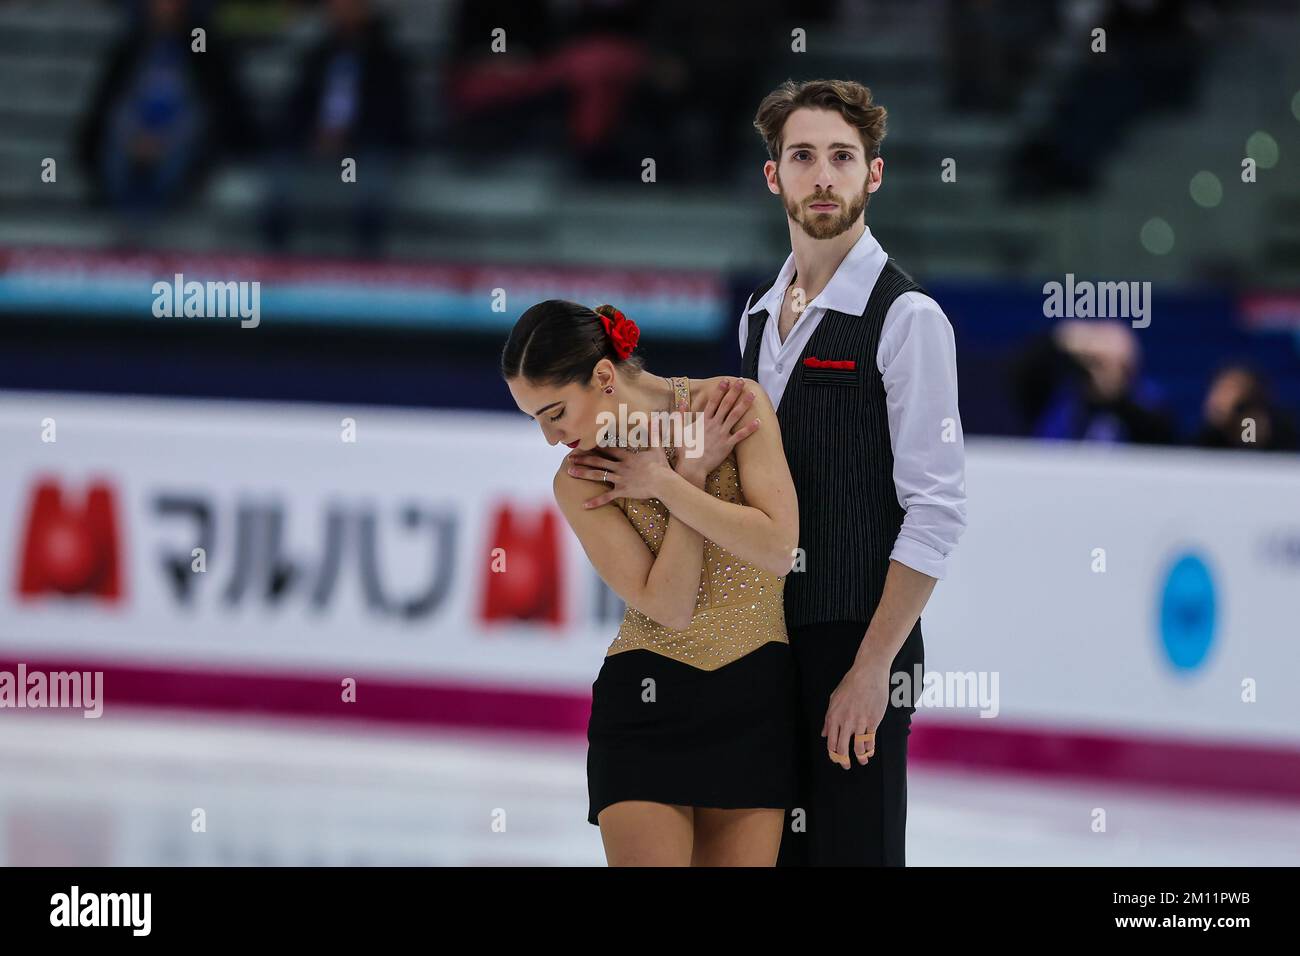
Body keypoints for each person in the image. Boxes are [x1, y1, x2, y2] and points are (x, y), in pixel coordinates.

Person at [741, 79, 968, 865]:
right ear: (775, 176)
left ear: (874, 174)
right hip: (769, 640)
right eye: (802, 156)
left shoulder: (908, 319)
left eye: (843, 157)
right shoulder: (757, 316)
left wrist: (874, 669)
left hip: (860, 637)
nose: (823, 176)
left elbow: (936, 510)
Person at [501, 301, 802, 866]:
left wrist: (668, 481)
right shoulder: (582, 478)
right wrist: (687, 474)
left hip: (755, 699)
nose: (550, 437)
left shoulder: (731, 404)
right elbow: (670, 607)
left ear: (604, 377)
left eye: (555, 413)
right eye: (536, 420)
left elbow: (779, 549)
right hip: (647, 702)